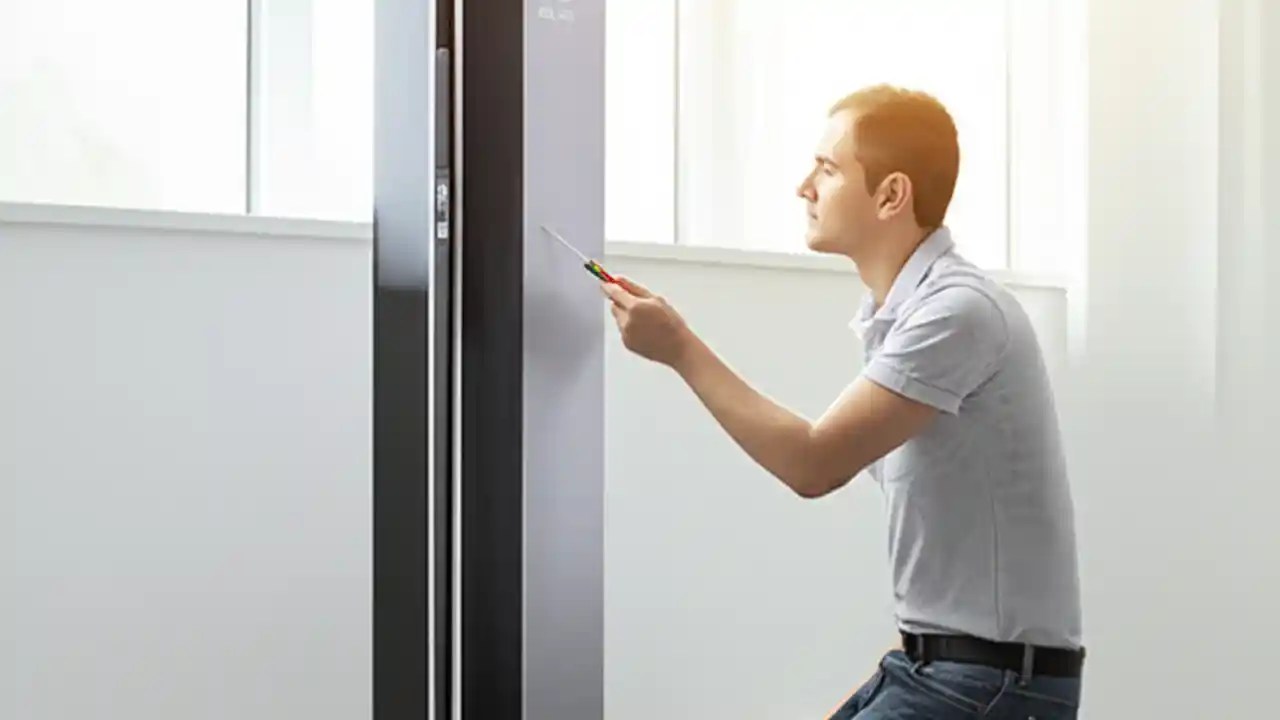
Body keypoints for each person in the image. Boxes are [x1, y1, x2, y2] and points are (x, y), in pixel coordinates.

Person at [601, 85, 1085, 718]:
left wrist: (681, 348)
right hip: (940, 668)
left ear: (891, 195)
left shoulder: (959, 314)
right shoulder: (907, 314)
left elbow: (814, 464)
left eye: (827, 169)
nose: (805, 186)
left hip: (987, 686)